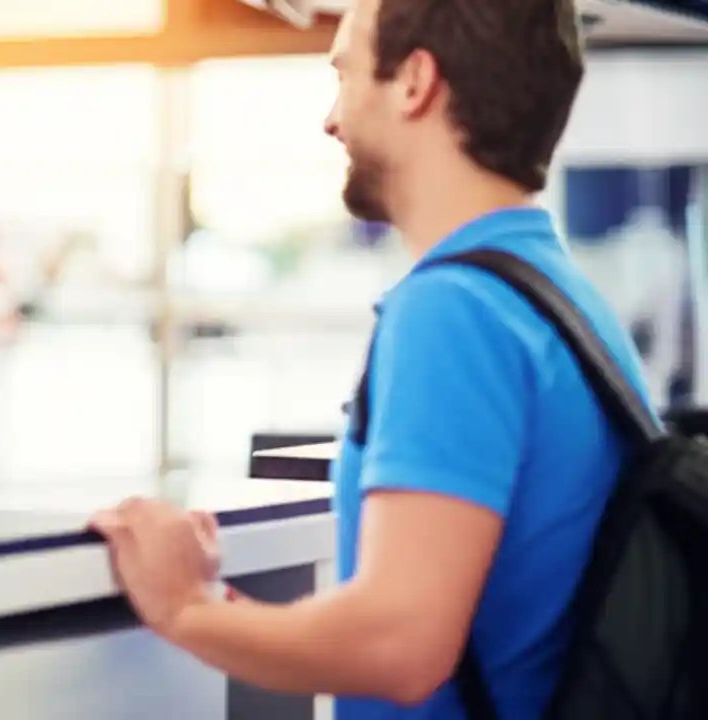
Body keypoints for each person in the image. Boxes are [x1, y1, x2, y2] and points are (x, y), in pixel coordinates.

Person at [90, 0, 656, 717]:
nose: (332, 119)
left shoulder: (456, 311)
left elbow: (397, 646)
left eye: (346, 74)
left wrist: (182, 607)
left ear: (415, 82)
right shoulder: (561, 296)